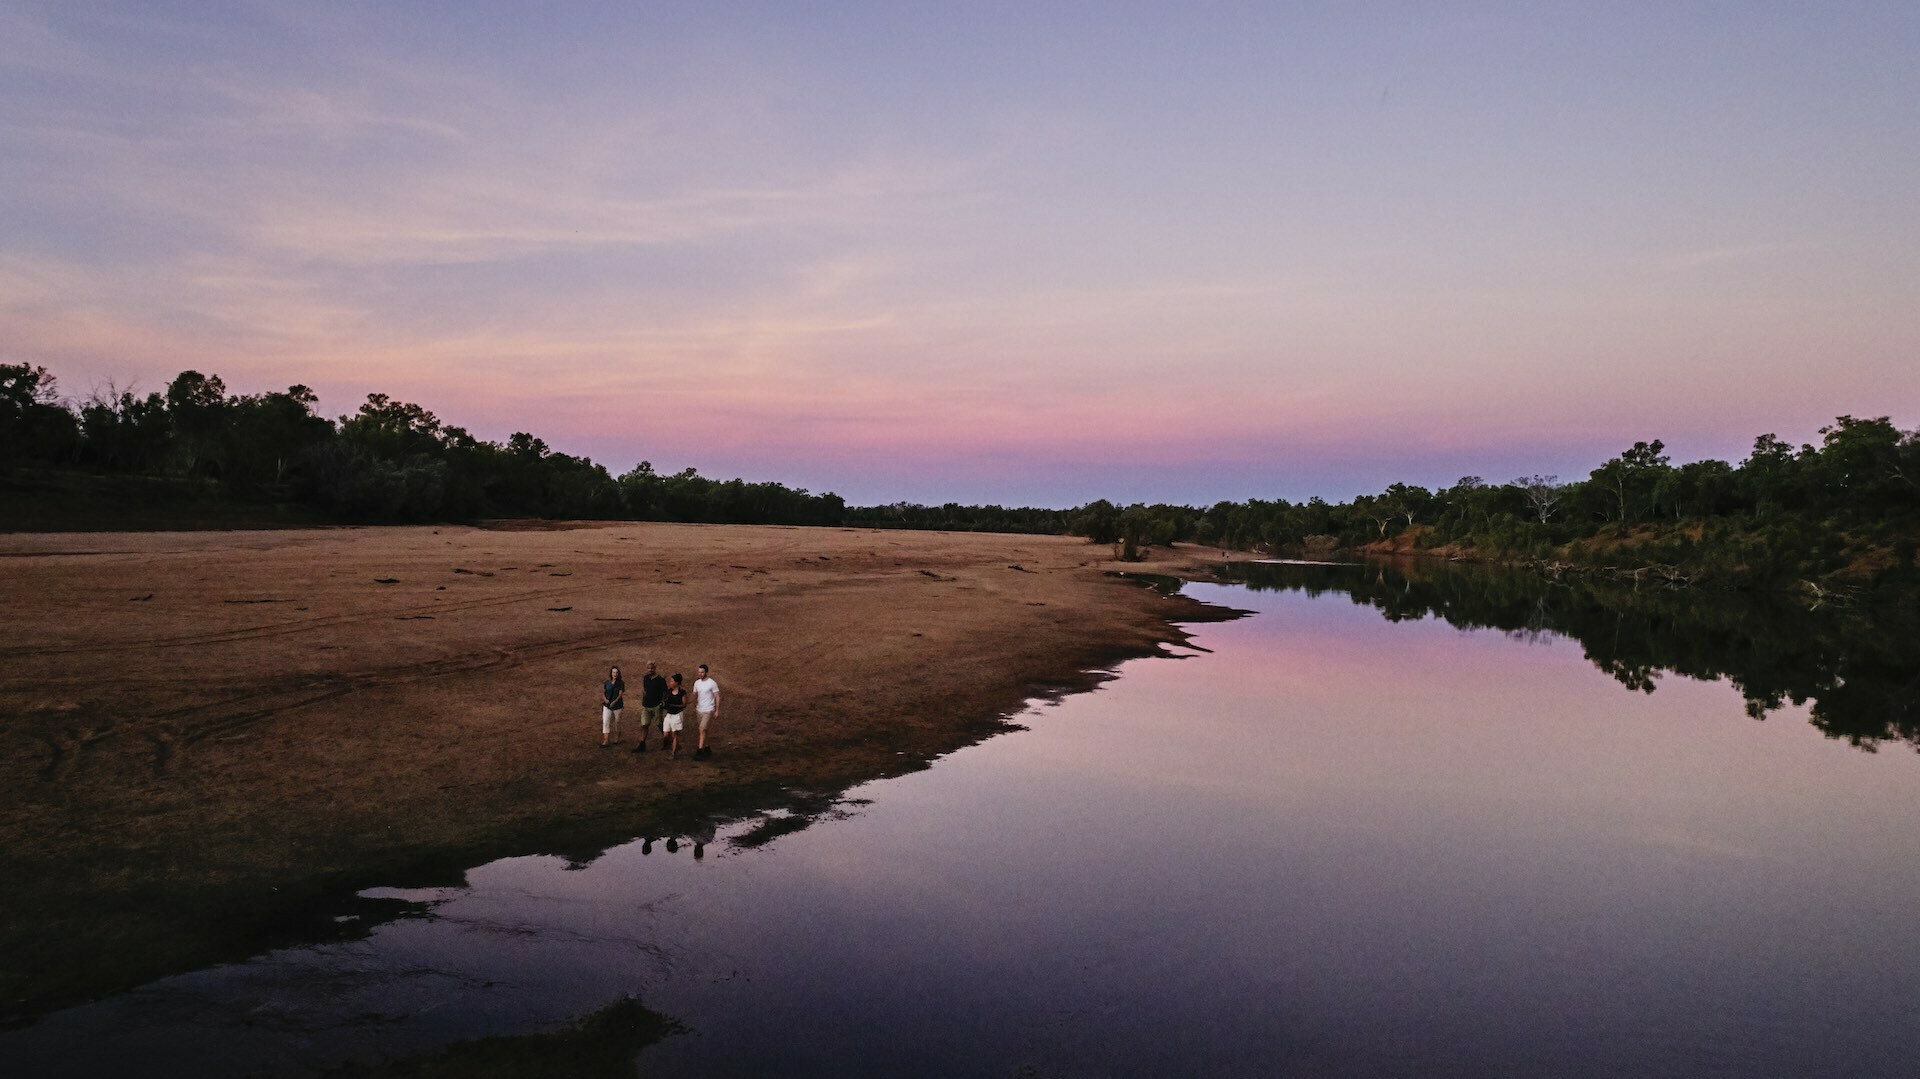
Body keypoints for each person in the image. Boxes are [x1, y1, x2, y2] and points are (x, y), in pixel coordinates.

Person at [632, 661, 667, 753]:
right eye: (648, 668)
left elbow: (664, 692)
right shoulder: (646, 678)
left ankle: (667, 740)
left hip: (656, 705)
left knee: (659, 725)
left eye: (652, 668)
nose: (650, 670)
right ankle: (642, 744)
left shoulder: (660, 680)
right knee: (644, 725)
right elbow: (645, 690)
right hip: (647, 705)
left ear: (655, 669)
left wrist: (662, 702)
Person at [692, 663, 720, 759]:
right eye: (699, 672)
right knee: (704, 730)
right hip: (699, 709)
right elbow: (694, 694)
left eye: (702, 672)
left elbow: (717, 696)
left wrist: (716, 710)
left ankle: (699, 751)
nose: (700, 674)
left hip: (708, 709)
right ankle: (707, 747)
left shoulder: (712, 683)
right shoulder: (697, 683)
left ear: (706, 672)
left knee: (702, 729)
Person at [660, 673, 688, 758]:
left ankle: (673, 752)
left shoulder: (682, 692)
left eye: (672, 681)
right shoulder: (668, 692)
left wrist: (673, 705)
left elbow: (684, 704)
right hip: (669, 714)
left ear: (677, 683)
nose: (670, 682)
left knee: (674, 734)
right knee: (665, 734)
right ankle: (675, 746)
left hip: (677, 715)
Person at [600, 665, 625, 747]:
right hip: (607, 705)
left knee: (617, 722)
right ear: (611, 673)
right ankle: (606, 740)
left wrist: (614, 702)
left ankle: (616, 738)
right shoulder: (607, 682)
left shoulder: (620, 683)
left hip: (617, 706)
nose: (615, 674)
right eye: (614, 672)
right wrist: (605, 699)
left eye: (616, 672)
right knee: (606, 722)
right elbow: (603, 692)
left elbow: (620, 694)